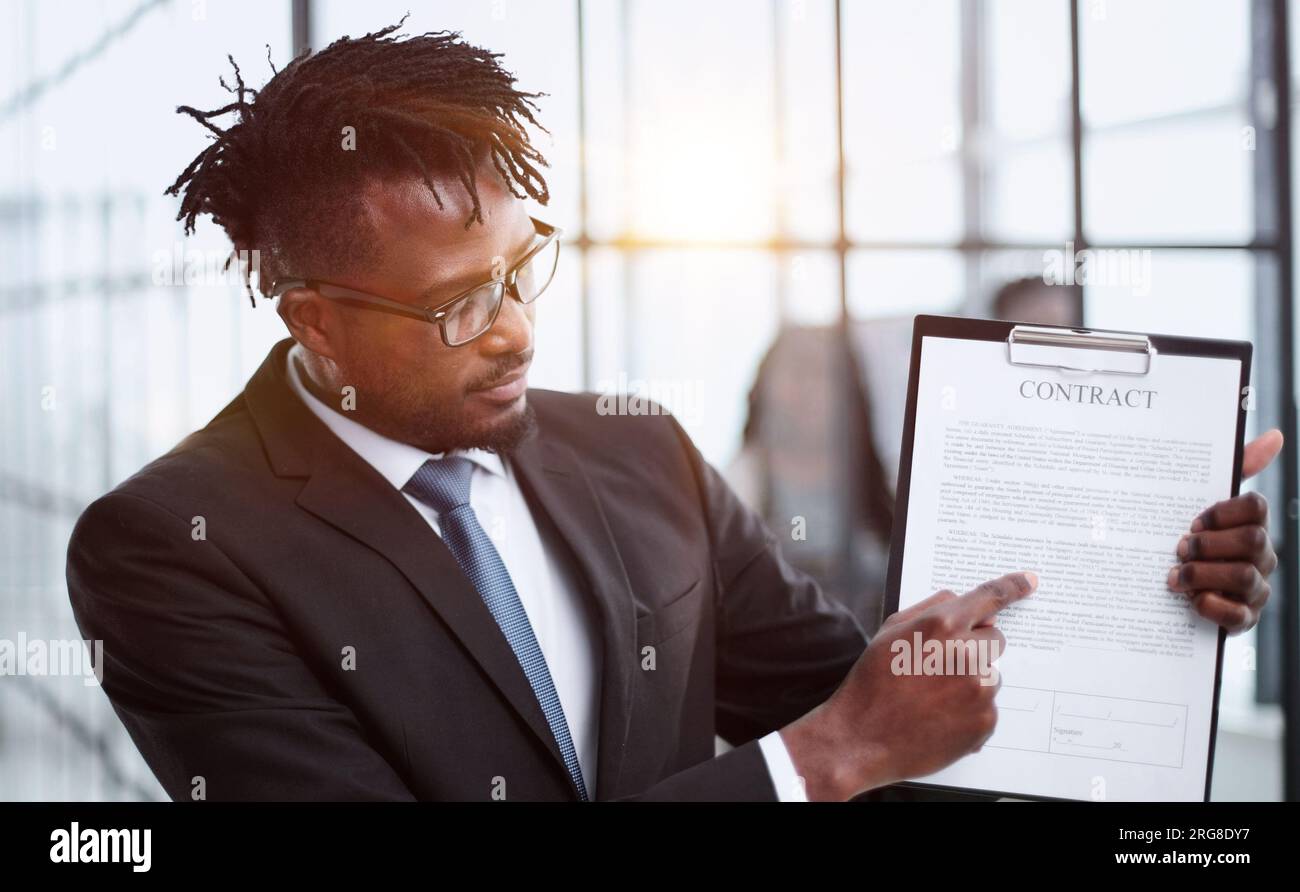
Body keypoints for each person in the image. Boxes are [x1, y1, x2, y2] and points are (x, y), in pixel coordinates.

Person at [65, 23, 1282, 802]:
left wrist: (1131, 573)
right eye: (455, 305)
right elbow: (842, 734)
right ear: (312, 318)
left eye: (520, 267)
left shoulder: (636, 449)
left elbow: (873, 688)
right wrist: (822, 761)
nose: (516, 331)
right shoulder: (174, 546)